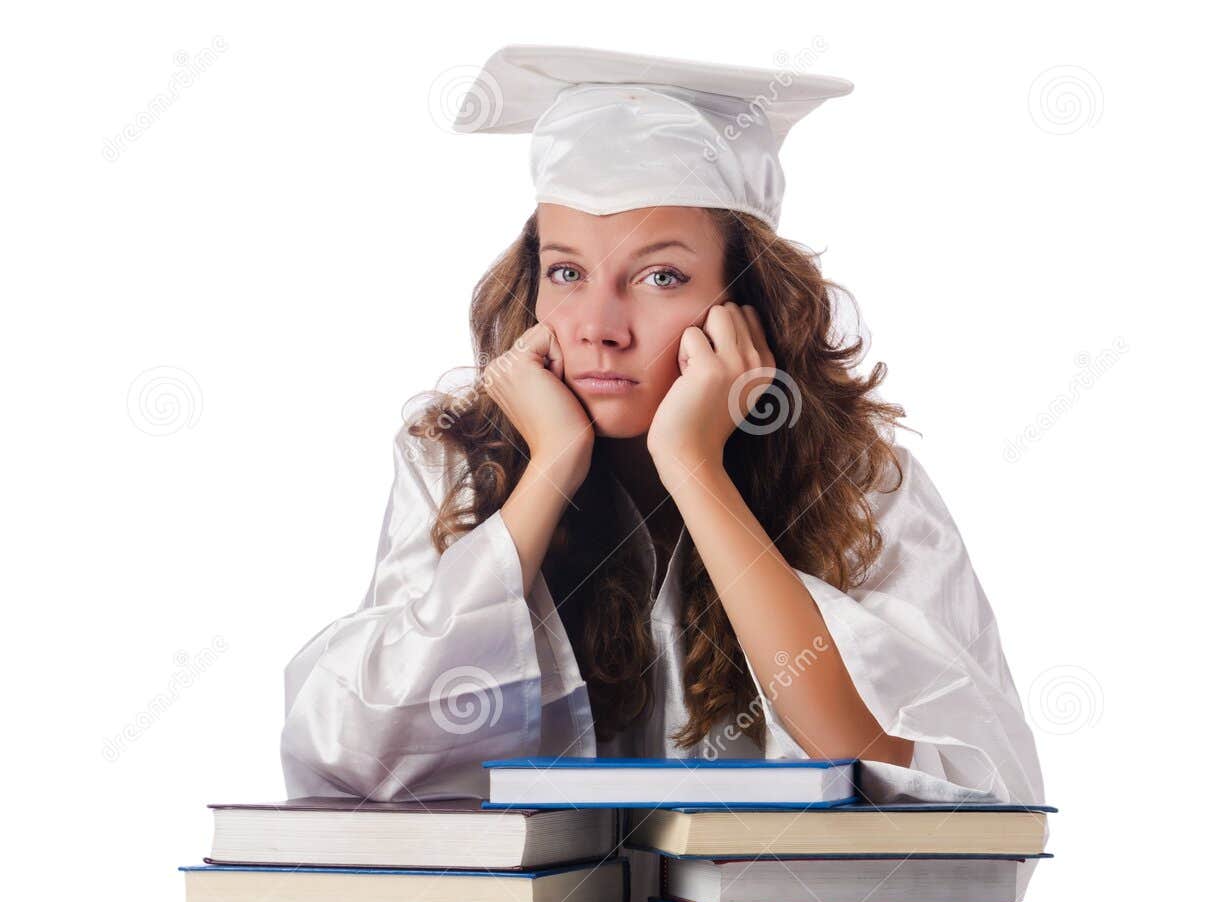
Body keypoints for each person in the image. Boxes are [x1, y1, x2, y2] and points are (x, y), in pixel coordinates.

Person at [280, 45, 1044, 808]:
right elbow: (366, 760)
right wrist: (549, 471)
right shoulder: (454, 467)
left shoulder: (862, 482)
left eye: (660, 277)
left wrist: (694, 467)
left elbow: (903, 775)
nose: (599, 328)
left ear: (745, 303)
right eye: (567, 273)